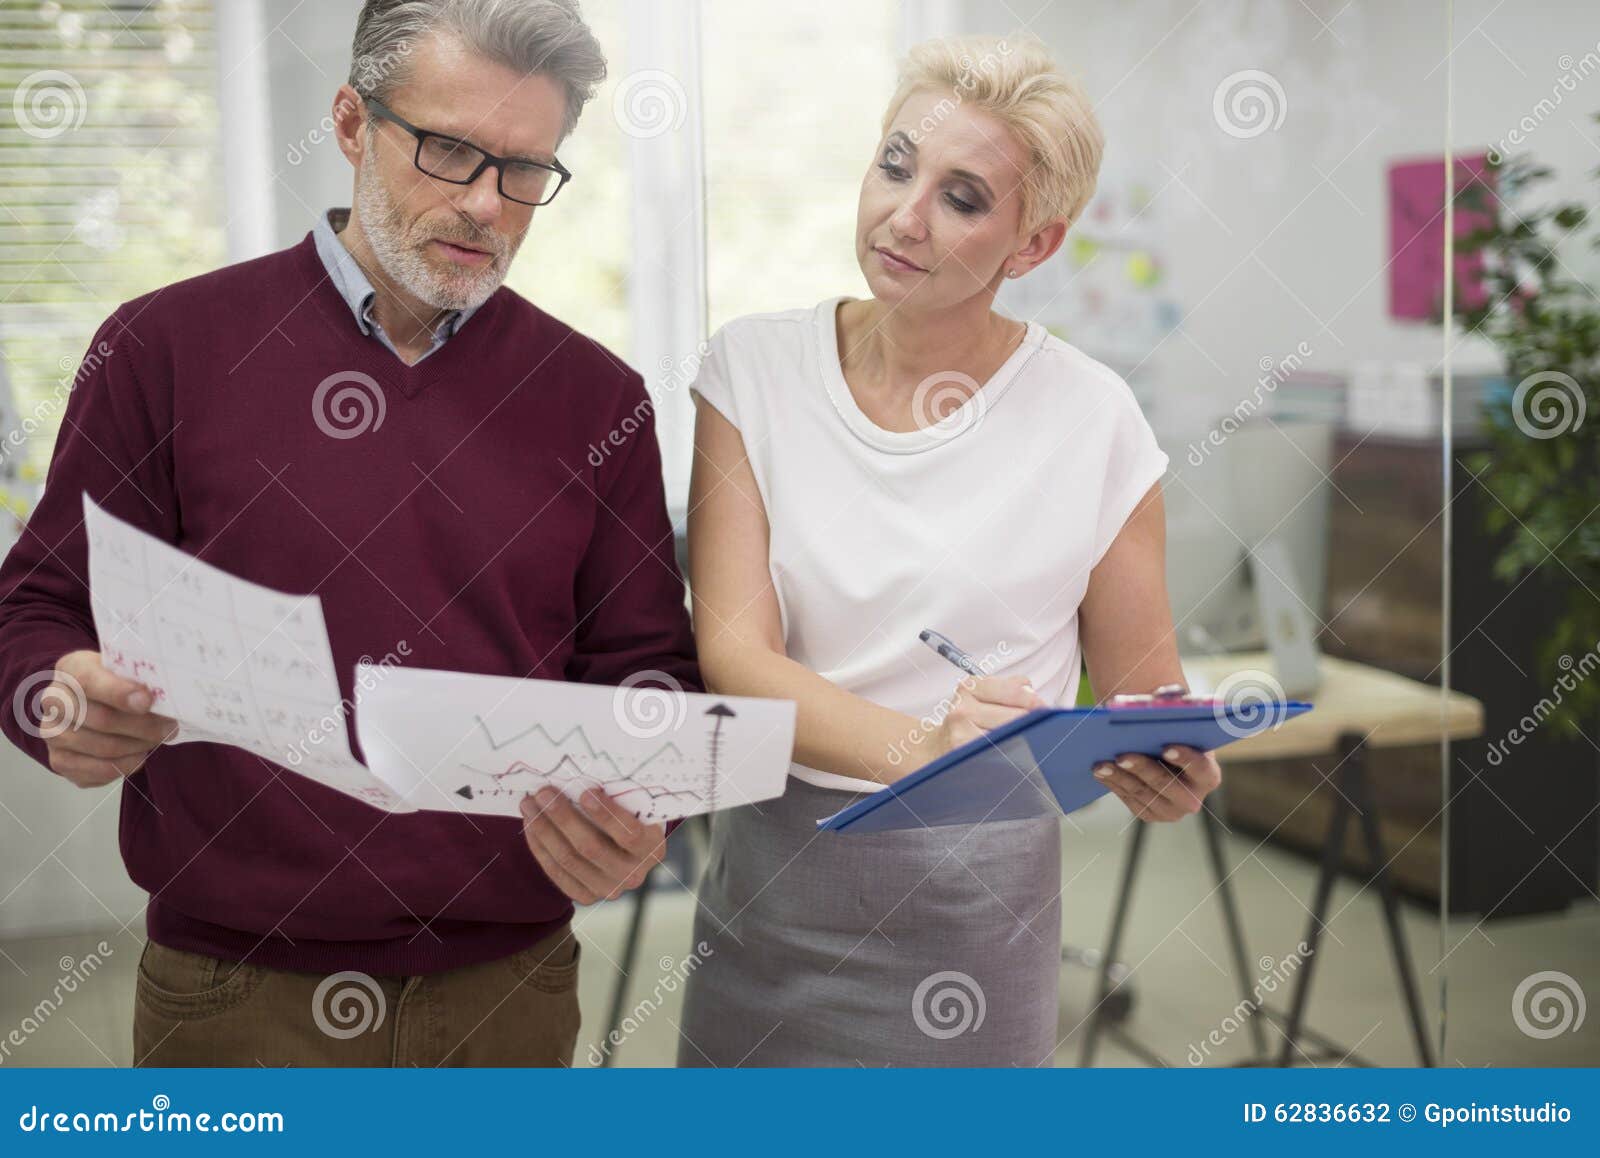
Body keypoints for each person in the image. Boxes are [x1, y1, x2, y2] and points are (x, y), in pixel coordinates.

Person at [0, 0, 694, 1067]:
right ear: (350, 122)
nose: (485, 204)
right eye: (448, 150)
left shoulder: (599, 400)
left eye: (524, 170)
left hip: (510, 990)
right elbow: (38, 605)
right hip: (234, 992)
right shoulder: (161, 348)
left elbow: (646, 670)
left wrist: (642, 813)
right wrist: (52, 697)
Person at [677, 34, 1224, 1067]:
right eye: (895, 166)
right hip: (773, 885)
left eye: (961, 198)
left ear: (1034, 245)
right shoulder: (752, 369)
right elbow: (737, 656)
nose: (904, 216)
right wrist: (928, 748)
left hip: (976, 912)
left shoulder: (1094, 418)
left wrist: (1166, 765)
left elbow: (1140, 698)